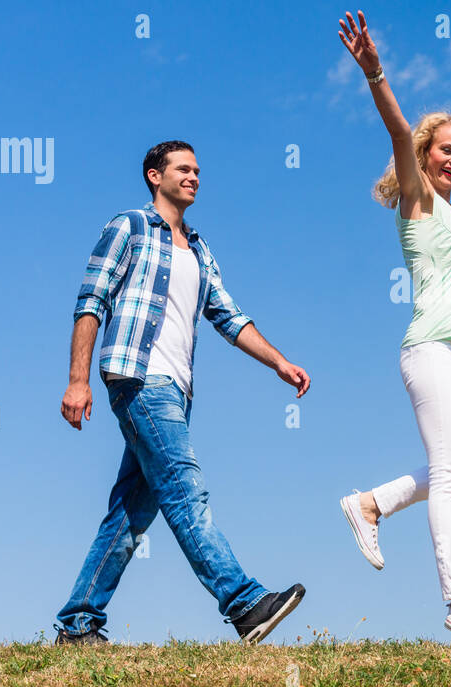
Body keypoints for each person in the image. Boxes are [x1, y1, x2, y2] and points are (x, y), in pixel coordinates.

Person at [54, 140, 309, 646]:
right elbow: (91, 301)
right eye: (183, 169)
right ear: (155, 175)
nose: (194, 177)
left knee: (130, 512)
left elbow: (228, 316)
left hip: (177, 389)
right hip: (137, 378)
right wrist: (78, 379)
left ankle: (79, 622)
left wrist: (279, 361)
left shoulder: (199, 247)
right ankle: (244, 603)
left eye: (198, 170)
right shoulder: (128, 227)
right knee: (184, 489)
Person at [335, 10, 451, 646]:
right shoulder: (415, 196)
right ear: (424, 154)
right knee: (448, 473)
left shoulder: (450, 210)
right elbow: (399, 126)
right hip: (431, 345)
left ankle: (372, 503)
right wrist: (376, 72)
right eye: (446, 151)